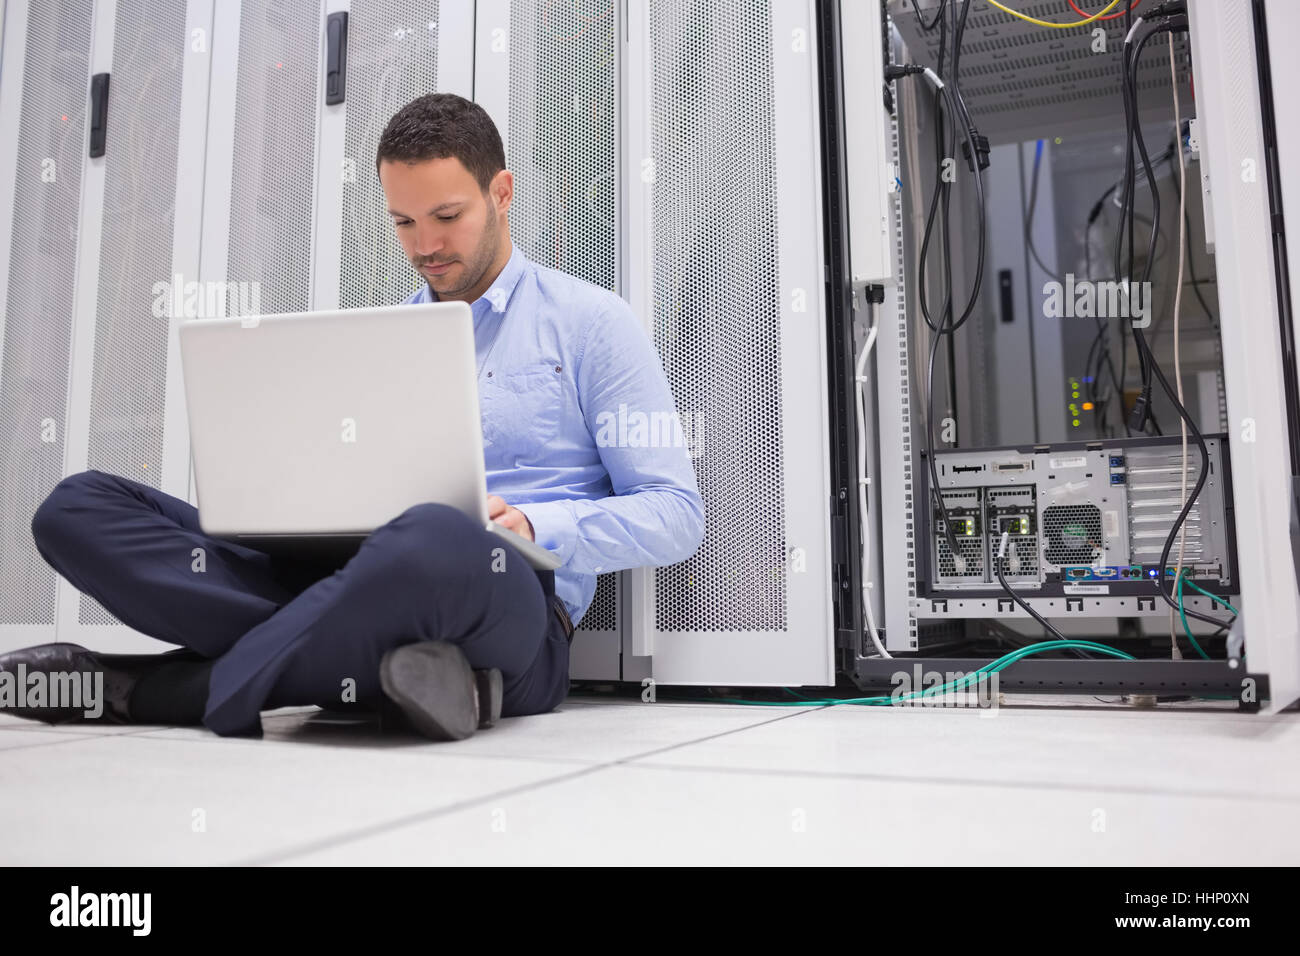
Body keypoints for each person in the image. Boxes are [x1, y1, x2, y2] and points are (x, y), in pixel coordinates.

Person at [0, 93, 705, 741]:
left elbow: (677, 514)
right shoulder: (378, 338)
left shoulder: (591, 322)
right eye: (402, 221)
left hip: (502, 596)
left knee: (436, 534)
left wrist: (533, 525)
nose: (424, 245)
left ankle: (152, 690)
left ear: (502, 193)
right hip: (356, 573)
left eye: (446, 217)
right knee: (77, 506)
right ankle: (397, 676)